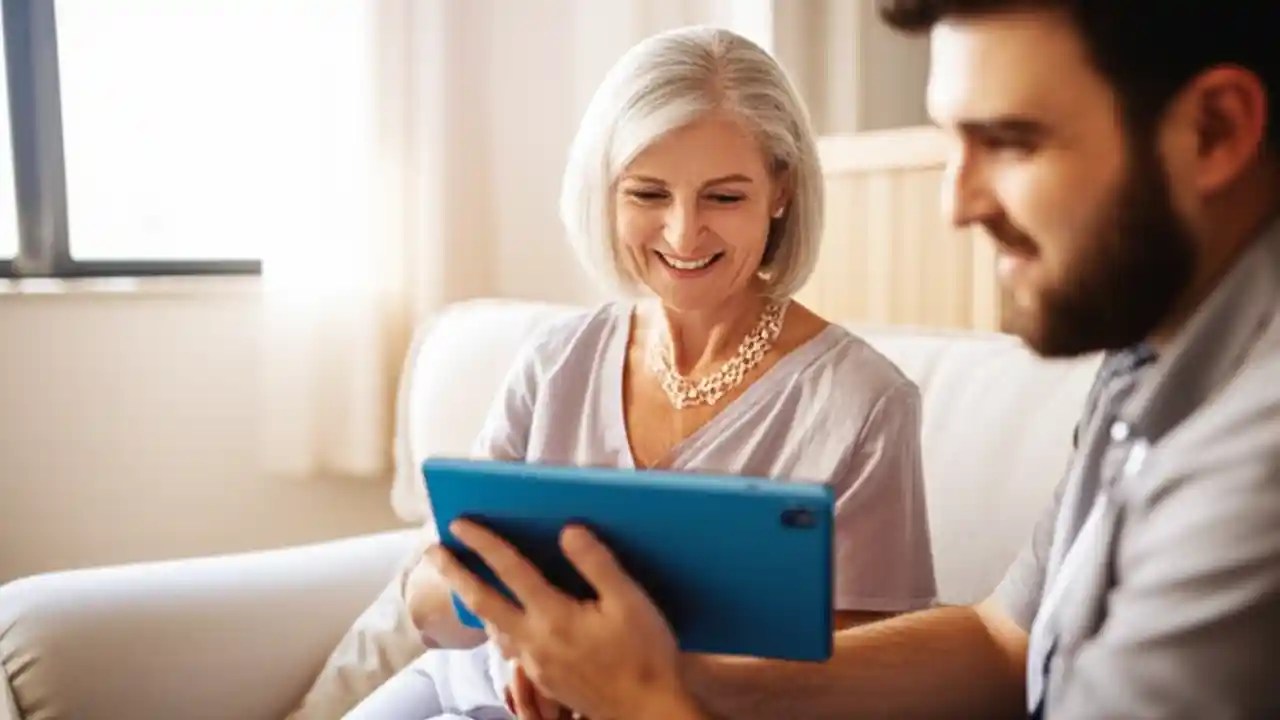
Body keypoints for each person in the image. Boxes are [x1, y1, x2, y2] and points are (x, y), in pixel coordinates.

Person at [431, 2, 1280, 718]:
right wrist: (686, 676)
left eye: (1012, 141)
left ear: (1213, 132)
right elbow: (1001, 639)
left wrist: (648, 699)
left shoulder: (1252, 457)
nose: (956, 203)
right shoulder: (1143, 368)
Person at [346, 25, 936, 719]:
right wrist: (527, 630)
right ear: (607, 192)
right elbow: (426, 600)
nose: (683, 234)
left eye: (724, 197)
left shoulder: (863, 403)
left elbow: (864, 679)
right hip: (459, 693)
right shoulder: (555, 360)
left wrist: (608, 675)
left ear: (781, 189)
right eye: (649, 194)